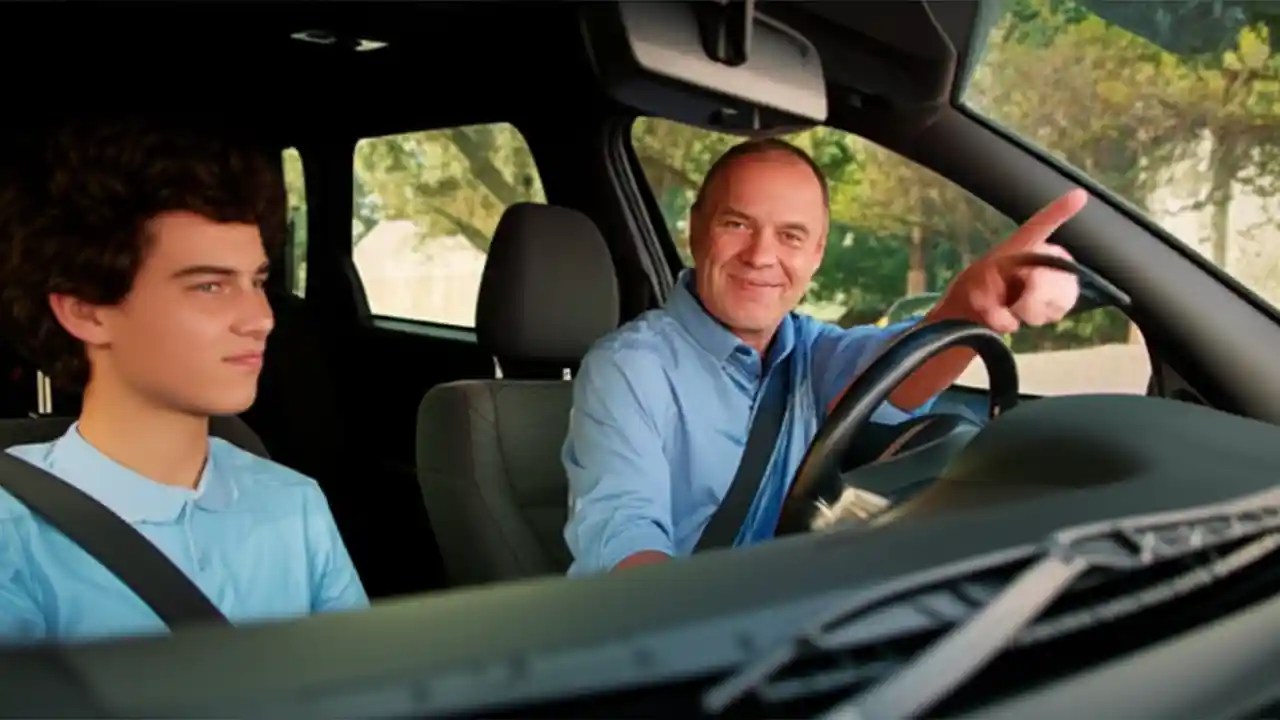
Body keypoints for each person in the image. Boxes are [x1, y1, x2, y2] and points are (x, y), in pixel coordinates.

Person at [562, 138, 1084, 575]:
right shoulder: (628, 369)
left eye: (791, 236)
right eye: (737, 224)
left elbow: (896, 372)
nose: (762, 256)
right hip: (688, 641)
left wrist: (966, 308)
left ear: (816, 254)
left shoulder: (811, 350)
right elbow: (623, 541)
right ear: (696, 230)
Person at [0, 117, 369, 643]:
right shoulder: (14, 534)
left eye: (258, 281)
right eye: (211, 286)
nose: (260, 317)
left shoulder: (295, 502)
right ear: (87, 311)